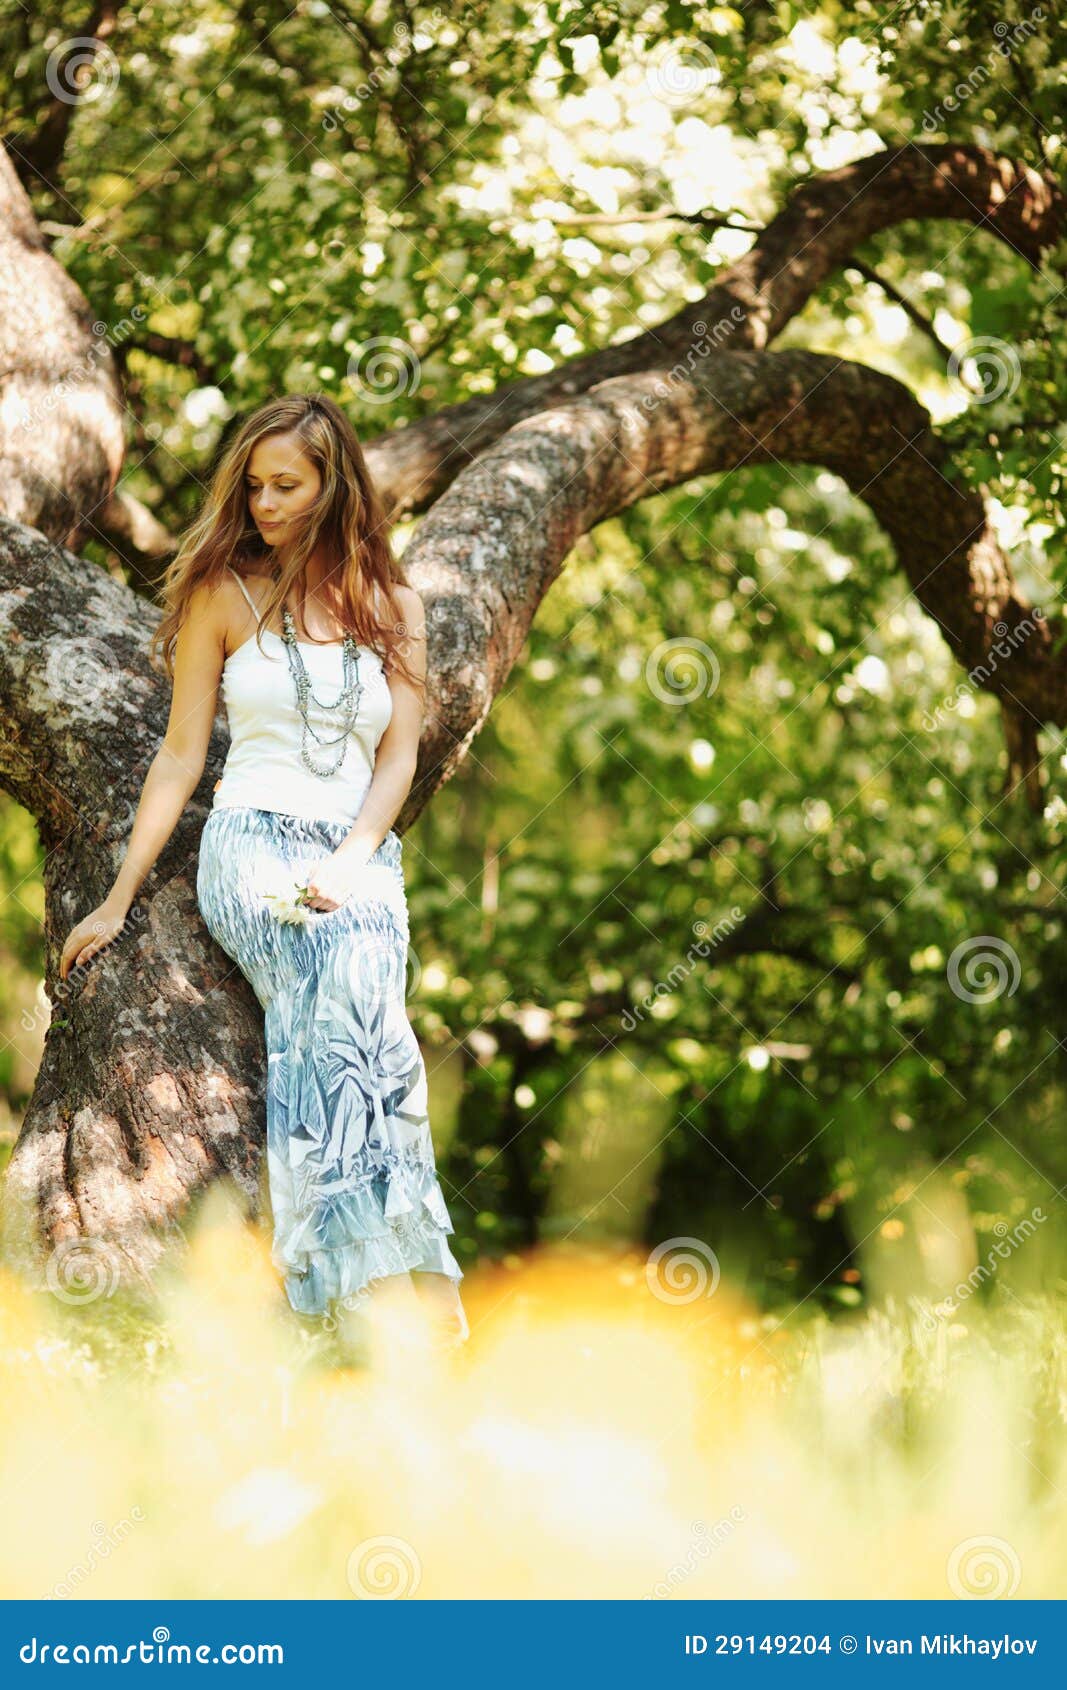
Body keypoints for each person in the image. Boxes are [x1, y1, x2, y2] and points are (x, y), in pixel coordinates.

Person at [59, 392, 469, 1351]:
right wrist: (118, 898)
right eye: (254, 486)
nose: (266, 504)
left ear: (336, 489)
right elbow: (179, 755)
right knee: (336, 1006)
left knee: (379, 1029)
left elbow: (397, 759)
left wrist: (352, 859)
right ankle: (353, 1294)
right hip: (252, 848)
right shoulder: (221, 595)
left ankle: (361, 1281)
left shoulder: (393, 608)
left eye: (287, 485)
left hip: (355, 857)